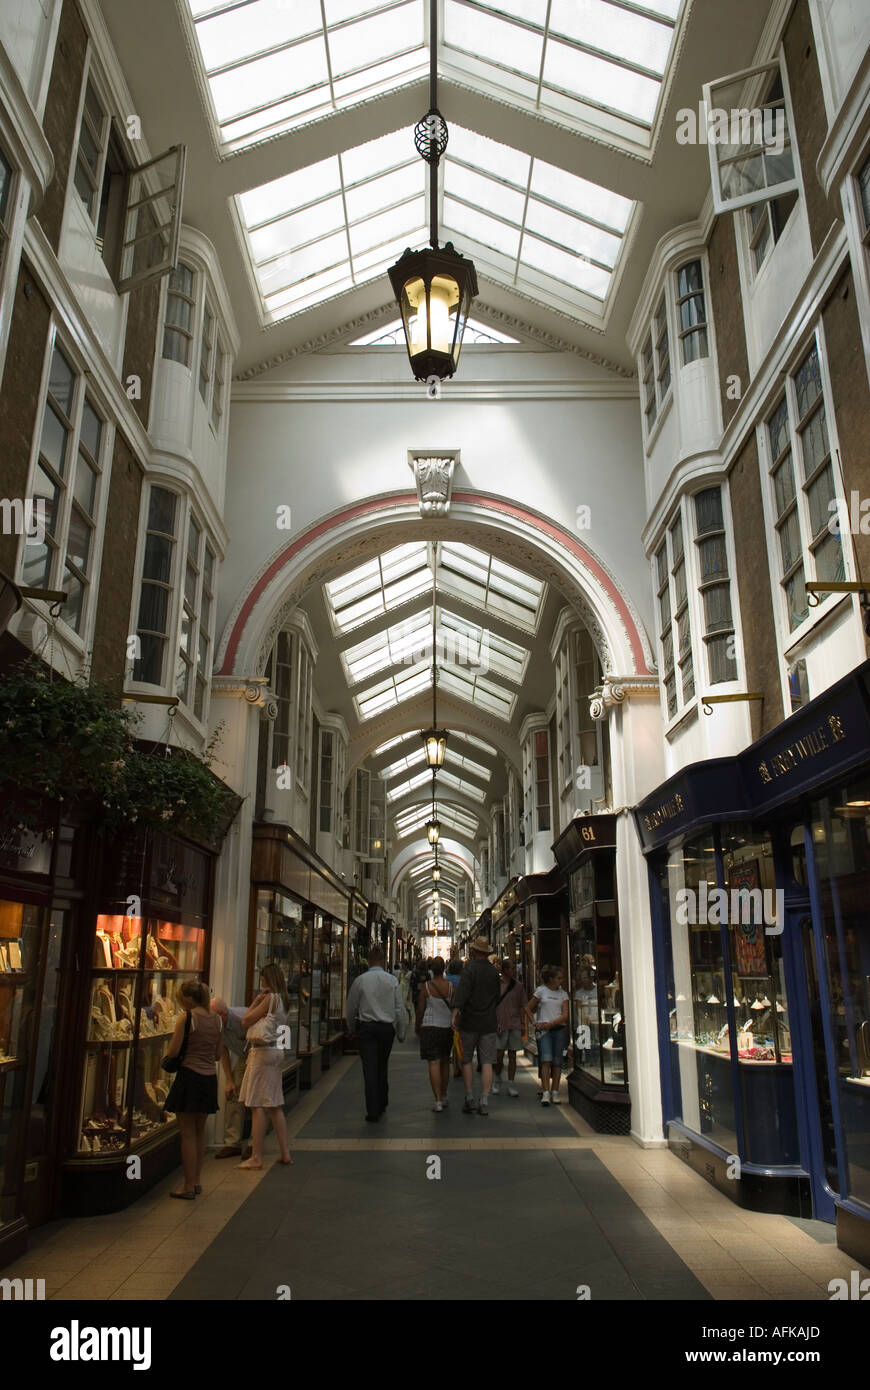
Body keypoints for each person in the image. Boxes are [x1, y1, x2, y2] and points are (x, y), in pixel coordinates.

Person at [164, 980, 224, 1199]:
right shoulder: (217, 1020)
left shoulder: (187, 1018)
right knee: (200, 1133)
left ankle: (188, 1186)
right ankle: (197, 1180)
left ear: (187, 999)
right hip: (209, 1078)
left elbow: (173, 1052)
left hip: (189, 1077)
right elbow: (218, 1054)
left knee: (187, 1134)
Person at [236, 963, 293, 1169]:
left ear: (269, 979)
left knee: (257, 1104)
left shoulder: (269, 999)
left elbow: (246, 1020)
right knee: (275, 1105)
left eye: (262, 979)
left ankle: (256, 1156)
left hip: (262, 1053)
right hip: (276, 1050)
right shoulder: (284, 1001)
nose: (261, 982)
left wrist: (256, 1001)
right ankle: (285, 1152)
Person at [345, 944, 407, 1121]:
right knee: (382, 1065)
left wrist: (350, 1028)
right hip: (386, 1030)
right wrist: (401, 1032)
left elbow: (351, 1007)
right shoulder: (392, 980)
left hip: (367, 1030)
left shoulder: (360, 980)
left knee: (369, 1068)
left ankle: (373, 1110)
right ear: (383, 961)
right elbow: (399, 1008)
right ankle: (383, 1101)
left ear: (370, 961)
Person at [450, 936, 501, 1116]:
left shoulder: (469, 969)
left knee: (466, 1060)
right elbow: (497, 996)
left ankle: (470, 1097)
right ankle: (485, 1099)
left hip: (469, 1022)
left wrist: (455, 1012)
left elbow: (462, 993)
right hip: (488, 1022)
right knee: (487, 1061)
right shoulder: (494, 972)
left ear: (474, 951)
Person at [210, 996, 252, 1159]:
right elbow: (223, 1051)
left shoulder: (242, 1019)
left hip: (257, 1053)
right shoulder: (216, 1024)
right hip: (243, 1056)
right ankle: (232, 1143)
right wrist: (229, 1079)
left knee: (256, 1099)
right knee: (233, 1093)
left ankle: (254, 1144)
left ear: (223, 1014)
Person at [525, 965, 570, 1105]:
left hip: (558, 1029)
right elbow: (527, 1007)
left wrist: (551, 1024)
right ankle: (546, 1092)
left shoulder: (563, 994)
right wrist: (534, 1022)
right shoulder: (541, 991)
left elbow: (565, 1015)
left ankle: (555, 1092)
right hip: (544, 1031)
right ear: (551, 979)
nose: (561, 981)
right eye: (559, 978)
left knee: (557, 1061)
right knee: (546, 1060)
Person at [415, 956, 454, 1112]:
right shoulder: (451, 987)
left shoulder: (426, 987)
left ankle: (437, 1100)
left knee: (433, 1062)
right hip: (446, 1027)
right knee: (445, 1062)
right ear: (444, 968)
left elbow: (420, 1009)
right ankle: (444, 1095)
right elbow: (456, 1008)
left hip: (430, 1026)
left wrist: (417, 1026)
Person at [493, 958, 528, 1097]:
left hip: (514, 1023)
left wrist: (523, 1024)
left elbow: (522, 1006)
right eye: (511, 968)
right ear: (504, 970)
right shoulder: (496, 985)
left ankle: (511, 1083)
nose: (513, 971)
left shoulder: (518, 986)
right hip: (500, 1024)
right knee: (499, 1054)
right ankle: (497, 1078)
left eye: (514, 968)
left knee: (513, 1054)